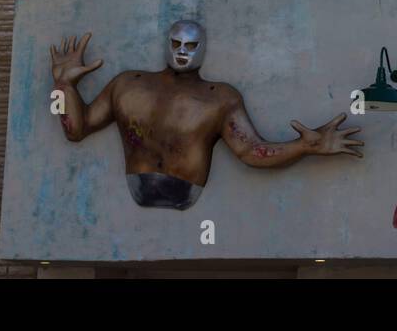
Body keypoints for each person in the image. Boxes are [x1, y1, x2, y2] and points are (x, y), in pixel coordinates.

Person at [50, 20, 362, 209]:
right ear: (166, 44)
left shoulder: (220, 98)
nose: (182, 51)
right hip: (139, 186)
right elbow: (78, 129)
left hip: (186, 192)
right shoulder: (127, 84)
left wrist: (305, 146)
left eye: (190, 45)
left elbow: (250, 151)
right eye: (176, 43)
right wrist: (63, 84)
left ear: (203, 48)